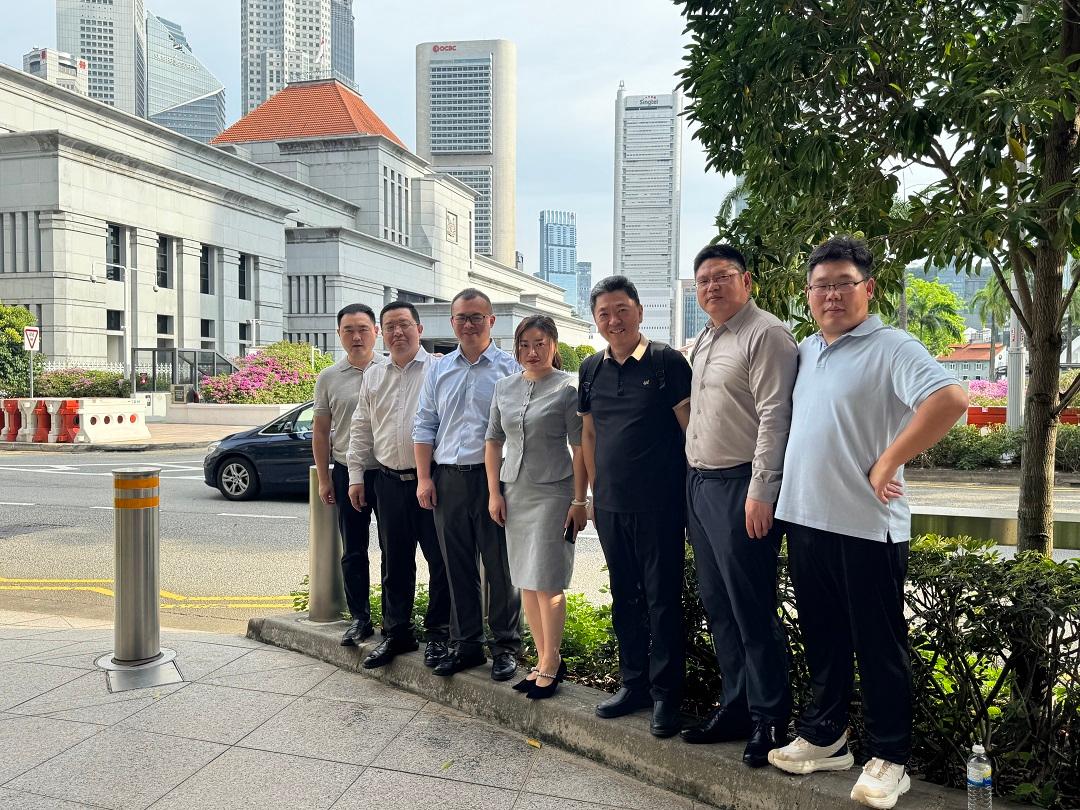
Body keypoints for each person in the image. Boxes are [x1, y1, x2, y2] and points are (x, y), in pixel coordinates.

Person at [769, 236, 968, 809]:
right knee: (823, 637)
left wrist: (888, 461)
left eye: (843, 284)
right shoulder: (808, 349)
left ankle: (891, 758)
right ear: (808, 293)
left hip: (866, 525)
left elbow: (950, 399)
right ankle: (826, 736)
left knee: (878, 645)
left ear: (869, 289)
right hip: (806, 517)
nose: (831, 295)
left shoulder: (892, 346)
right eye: (821, 286)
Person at [681, 244, 798, 767]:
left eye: (721, 276)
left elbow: (776, 416)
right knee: (719, 604)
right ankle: (736, 706)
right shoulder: (707, 337)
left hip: (740, 487)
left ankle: (770, 718)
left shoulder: (766, 334)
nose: (711, 287)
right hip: (700, 485)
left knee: (751, 607)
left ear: (746, 281)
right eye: (703, 280)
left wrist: (761, 490)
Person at [579, 275, 693, 737]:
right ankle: (634, 685)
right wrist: (591, 493)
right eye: (604, 313)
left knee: (663, 600)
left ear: (640, 312)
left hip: (660, 505)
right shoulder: (590, 369)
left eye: (622, 310)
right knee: (625, 596)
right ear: (595, 320)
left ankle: (667, 695)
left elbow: (690, 431)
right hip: (610, 507)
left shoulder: (667, 362)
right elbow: (589, 434)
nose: (614, 320)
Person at [413, 288, 523, 681]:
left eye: (477, 316)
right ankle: (467, 645)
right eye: (462, 317)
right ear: (452, 322)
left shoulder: (510, 369)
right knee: (457, 566)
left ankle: (507, 647)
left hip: (496, 480)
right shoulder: (439, 369)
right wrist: (424, 478)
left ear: (491, 321)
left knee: (501, 568)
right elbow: (424, 424)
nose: (469, 324)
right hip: (447, 480)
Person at [484, 315, 588, 700]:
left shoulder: (568, 387)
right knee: (526, 580)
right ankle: (543, 659)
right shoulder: (504, 387)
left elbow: (581, 448)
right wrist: (494, 493)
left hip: (554, 491)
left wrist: (580, 500)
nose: (532, 352)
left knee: (548, 579)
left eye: (540, 343)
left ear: (553, 345)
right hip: (515, 491)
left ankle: (551, 662)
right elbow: (493, 441)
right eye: (524, 344)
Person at [347, 301, 452, 670]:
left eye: (404, 324)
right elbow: (361, 427)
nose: (397, 332)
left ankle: (439, 635)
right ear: (382, 332)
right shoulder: (374, 375)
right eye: (389, 325)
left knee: (441, 561)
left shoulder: (440, 368)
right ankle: (397, 633)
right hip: (388, 481)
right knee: (394, 562)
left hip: (433, 481)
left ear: (419, 329)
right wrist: (356, 476)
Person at [313, 303, 385, 647]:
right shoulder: (329, 377)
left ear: (376, 332)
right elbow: (320, 431)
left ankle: (395, 621)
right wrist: (324, 478)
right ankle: (360, 619)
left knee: (394, 549)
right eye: (349, 330)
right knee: (353, 550)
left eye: (363, 329)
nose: (357, 337)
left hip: (388, 473)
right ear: (339, 334)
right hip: (345, 471)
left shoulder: (391, 368)